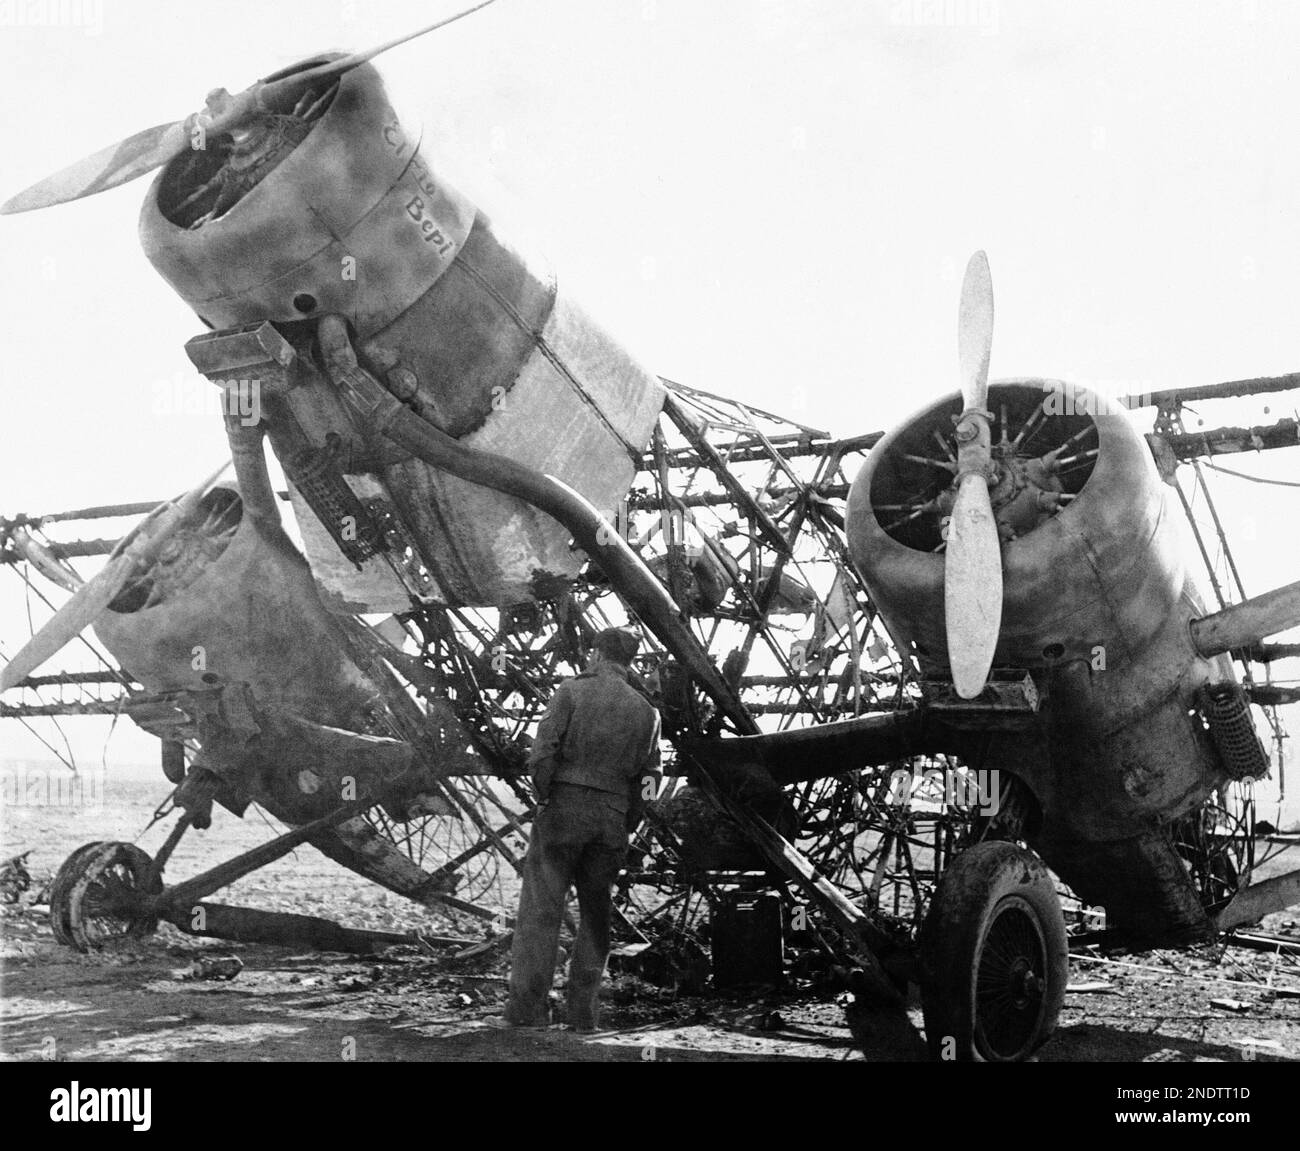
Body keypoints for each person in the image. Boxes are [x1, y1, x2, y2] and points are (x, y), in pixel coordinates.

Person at [502, 627, 662, 1031]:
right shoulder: (647, 711)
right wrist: (626, 819)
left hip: (563, 810)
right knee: (596, 915)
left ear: (596, 653)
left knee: (541, 911)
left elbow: (543, 754)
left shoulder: (572, 690)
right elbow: (649, 778)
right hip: (611, 820)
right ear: (630, 661)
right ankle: (583, 1016)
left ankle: (528, 1013)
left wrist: (546, 797)